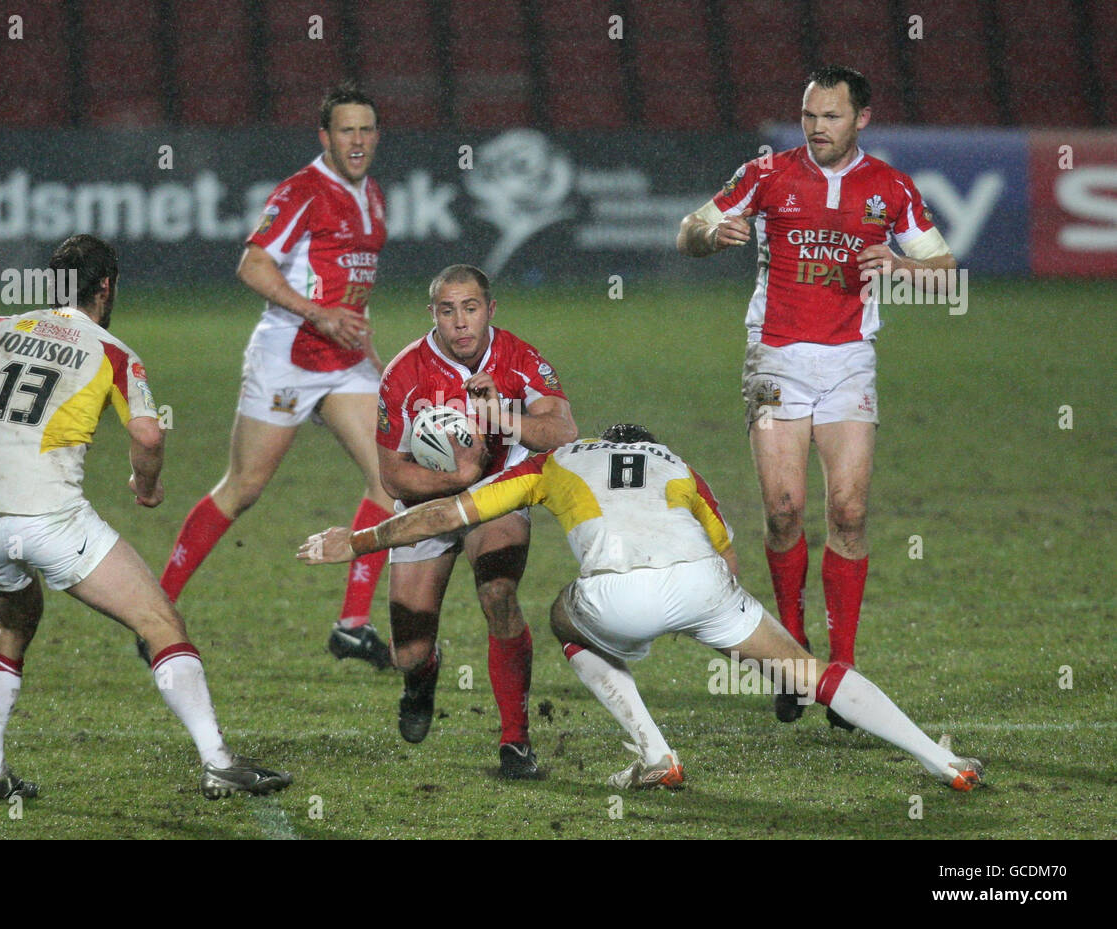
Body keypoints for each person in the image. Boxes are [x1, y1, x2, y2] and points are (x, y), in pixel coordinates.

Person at [298, 424, 985, 793]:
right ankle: (940, 759)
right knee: (807, 669)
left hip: (617, 595)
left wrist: (354, 542)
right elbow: (729, 554)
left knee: (565, 618)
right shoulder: (677, 463)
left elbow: (447, 511)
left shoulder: (554, 460)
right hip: (703, 583)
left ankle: (656, 752)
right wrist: (713, 622)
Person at [0, 234, 291, 801]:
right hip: (51, 519)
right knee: (161, 623)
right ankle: (217, 760)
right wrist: (147, 483)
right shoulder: (110, 351)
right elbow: (147, 431)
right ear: (107, 285)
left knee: (14, 625)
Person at [676, 65, 958, 727]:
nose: (817, 127)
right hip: (776, 357)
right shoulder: (766, 174)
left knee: (850, 512)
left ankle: (845, 666)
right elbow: (687, 231)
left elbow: (945, 276)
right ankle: (795, 657)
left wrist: (904, 268)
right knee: (782, 509)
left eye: (830, 116)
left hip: (849, 362)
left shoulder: (890, 187)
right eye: (809, 115)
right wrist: (710, 235)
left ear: (861, 118)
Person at [156, 81, 396, 669]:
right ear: (325, 136)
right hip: (288, 355)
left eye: (366, 129)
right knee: (244, 488)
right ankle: (155, 609)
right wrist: (318, 314)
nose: (358, 139)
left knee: (393, 480)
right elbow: (252, 264)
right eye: (347, 130)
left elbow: (350, 290)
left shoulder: (373, 194)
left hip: (343, 363)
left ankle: (352, 625)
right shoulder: (302, 191)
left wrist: (373, 356)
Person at [374, 264, 577, 778]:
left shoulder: (520, 358)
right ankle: (422, 677)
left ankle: (515, 742)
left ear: (490, 309)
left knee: (499, 595)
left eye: (470, 308)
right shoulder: (404, 374)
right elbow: (394, 477)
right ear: (433, 315)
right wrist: (458, 476)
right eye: (448, 311)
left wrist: (504, 420)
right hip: (429, 504)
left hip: (499, 495)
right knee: (407, 652)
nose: (460, 322)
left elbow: (564, 432)